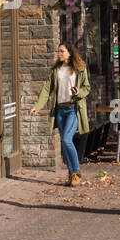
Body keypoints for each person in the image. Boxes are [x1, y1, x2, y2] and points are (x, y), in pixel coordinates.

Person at [30, 41, 90, 186]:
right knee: (64, 142)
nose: (59, 54)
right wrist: (37, 106)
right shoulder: (56, 69)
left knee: (67, 140)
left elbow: (86, 88)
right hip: (60, 110)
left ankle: (76, 172)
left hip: (73, 109)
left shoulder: (79, 68)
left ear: (69, 52)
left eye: (62, 51)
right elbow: (46, 89)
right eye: (58, 51)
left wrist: (78, 92)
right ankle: (71, 175)